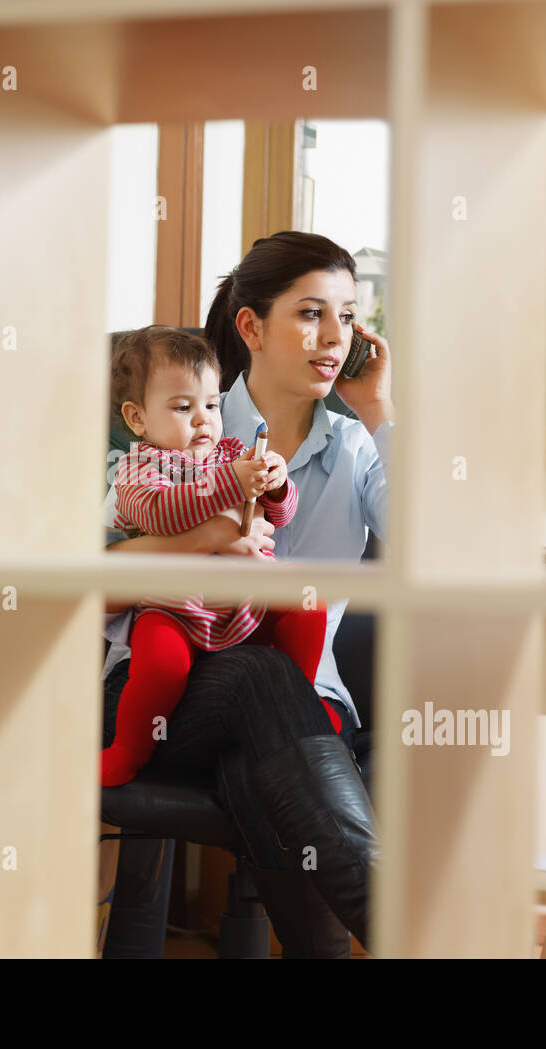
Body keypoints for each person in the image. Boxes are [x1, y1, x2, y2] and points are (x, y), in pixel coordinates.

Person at [101, 230, 393, 958]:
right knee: (265, 682)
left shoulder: (357, 448)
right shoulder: (180, 418)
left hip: (292, 709)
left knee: (263, 727)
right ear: (251, 326)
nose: (334, 337)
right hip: (159, 691)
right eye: (310, 313)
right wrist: (200, 542)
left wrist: (380, 410)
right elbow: (85, 581)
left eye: (348, 317)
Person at [101, 326, 334, 787]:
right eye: (183, 407)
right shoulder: (137, 470)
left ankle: (301, 698)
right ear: (137, 418)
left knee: (308, 598)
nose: (204, 420)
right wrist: (231, 485)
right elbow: (162, 513)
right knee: (162, 666)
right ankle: (128, 748)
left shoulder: (228, 454)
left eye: (211, 404)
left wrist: (277, 483)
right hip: (174, 608)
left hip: (243, 602)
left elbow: (279, 517)